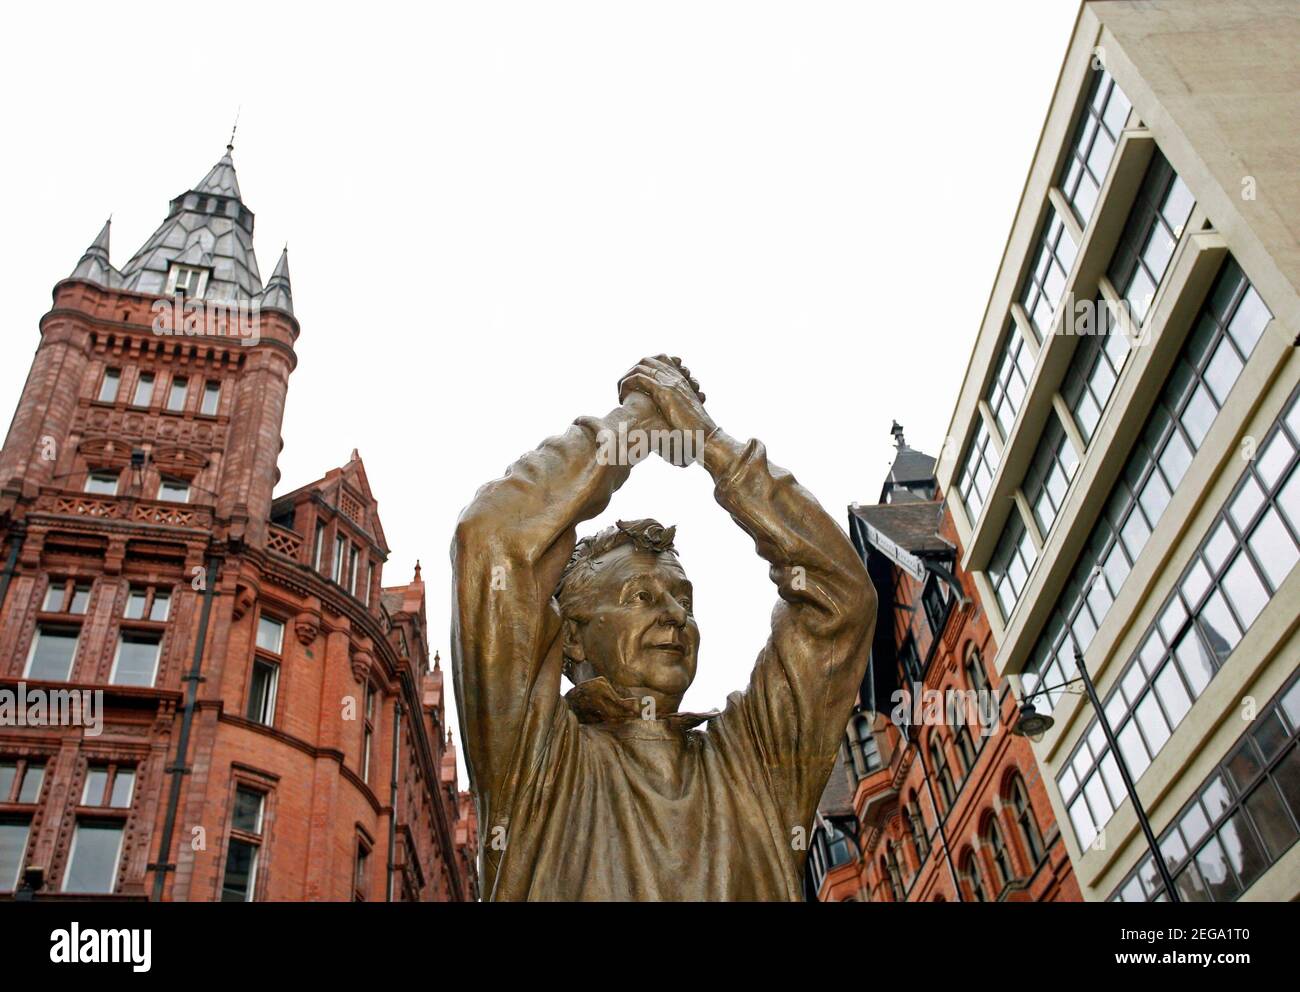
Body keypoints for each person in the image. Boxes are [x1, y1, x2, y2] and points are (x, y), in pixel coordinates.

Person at [451, 355, 875, 899]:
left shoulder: (754, 762)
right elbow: (492, 538)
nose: (674, 616)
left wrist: (710, 443)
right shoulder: (535, 766)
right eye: (641, 597)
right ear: (573, 637)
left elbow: (841, 599)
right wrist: (637, 426)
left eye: (683, 599)